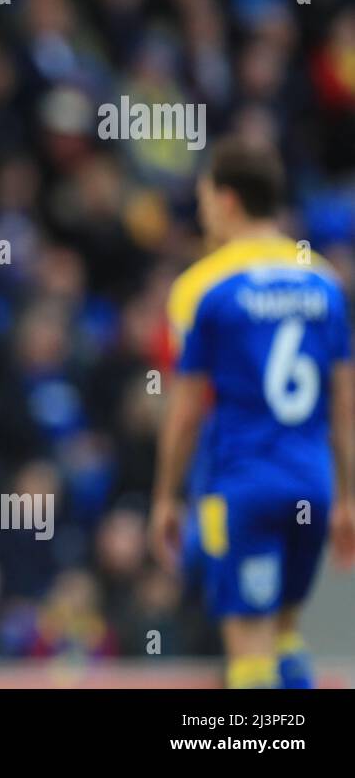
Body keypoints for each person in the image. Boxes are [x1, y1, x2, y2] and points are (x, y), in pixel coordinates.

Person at [150, 140, 355, 688]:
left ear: (228, 200)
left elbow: (188, 409)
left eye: (205, 197)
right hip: (311, 483)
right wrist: (349, 495)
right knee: (286, 631)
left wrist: (167, 495)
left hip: (242, 483)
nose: (202, 210)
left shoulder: (203, 288)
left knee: (249, 651)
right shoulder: (326, 283)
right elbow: (344, 402)